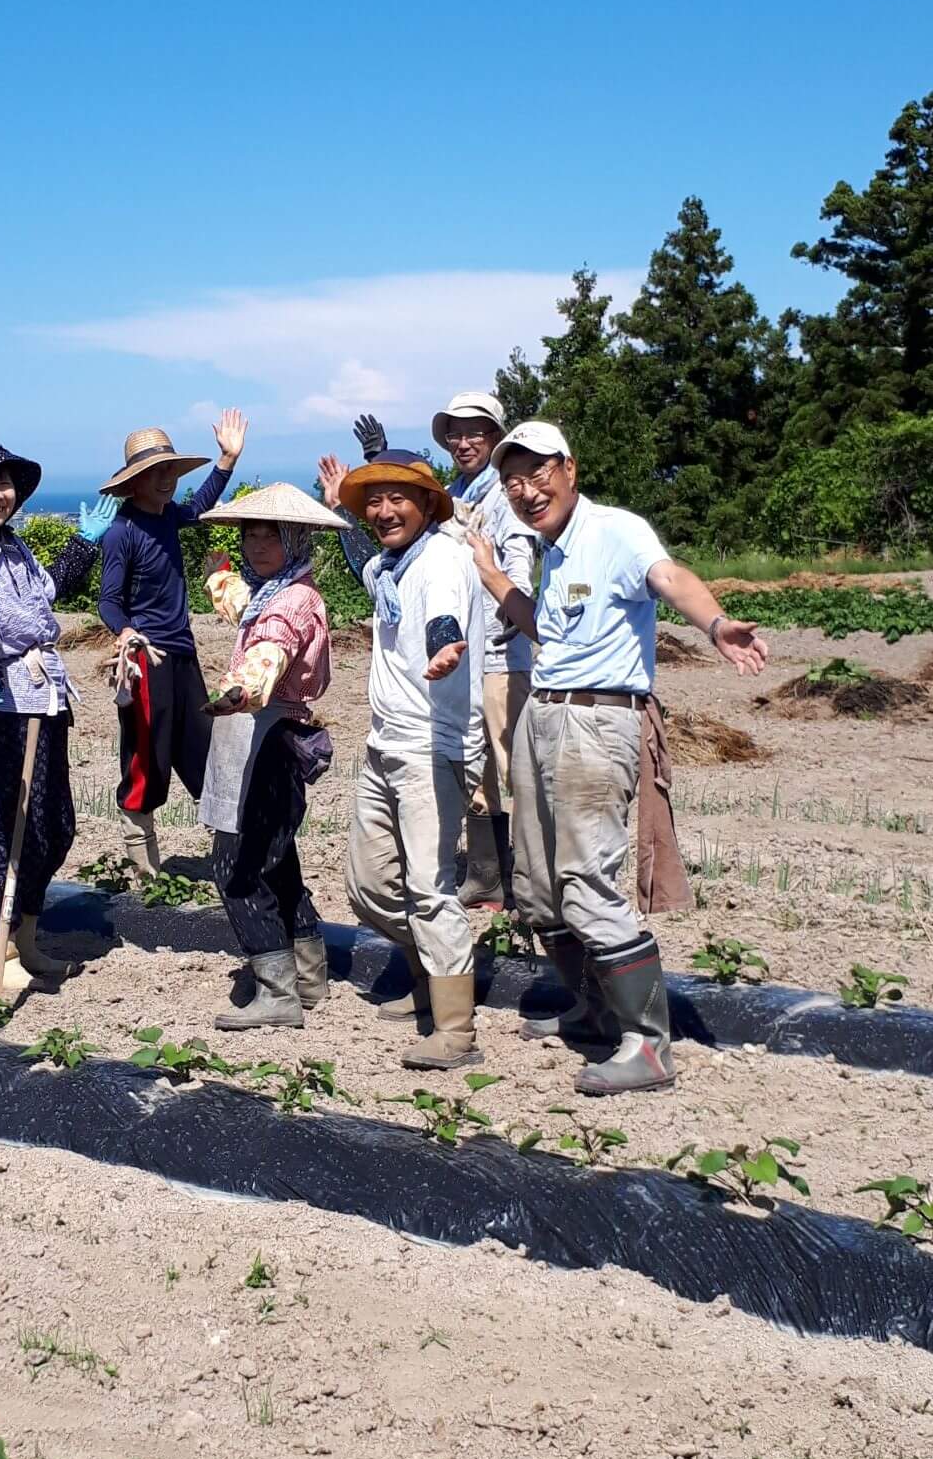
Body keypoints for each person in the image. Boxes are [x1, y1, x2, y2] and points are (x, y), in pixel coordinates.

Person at [469, 420, 769, 1093]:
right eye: (513, 481)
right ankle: (593, 1007)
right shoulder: (557, 552)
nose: (526, 490)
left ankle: (647, 1044)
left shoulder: (616, 530)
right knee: (540, 883)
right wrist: (492, 576)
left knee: (589, 879)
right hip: (545, 713)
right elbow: (549, 631)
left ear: (569, 467)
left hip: (598, 720)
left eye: (537, 473)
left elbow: (669, 576)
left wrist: (717, 624)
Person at [0, 443, 121, 994]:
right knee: (15, 822)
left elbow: (45, 594)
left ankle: (28, 936)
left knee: (56, 824)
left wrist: (84, 545)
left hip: (43, 693)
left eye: (7, 484)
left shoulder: (12, 547)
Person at [329, 445, 488, 1069]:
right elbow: (362, 562)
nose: (385, 509)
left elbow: (445, 615)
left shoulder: (442, 559)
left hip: (433, 743)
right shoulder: (392, 568)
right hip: (384, 741)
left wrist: (446, 648)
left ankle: (455, 1026)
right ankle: (429, 971)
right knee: (367, 886)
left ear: (428, 503)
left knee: (430, 887)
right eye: (374, 499)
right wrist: (336, 502)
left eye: (399, 497)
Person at [192, 482, 345, 1030]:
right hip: (266, 736)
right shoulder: (272, 590)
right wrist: (218, 570)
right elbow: (238, 601)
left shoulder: (290, 604)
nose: (257, 546)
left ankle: (277, 991)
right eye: (249, 535)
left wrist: (239, 692)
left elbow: (268, 654)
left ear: (295, 538)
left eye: (269, 536)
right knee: (277, 858)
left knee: (237, 865)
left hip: (266, 735)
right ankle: (308, 974)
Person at [97, 410, 247, 875]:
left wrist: (227, 460)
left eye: (170, 471)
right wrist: (125, 633)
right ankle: (143, 862)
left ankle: (228, 850)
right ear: (135, 482)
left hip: (182, 652)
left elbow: (201, 505)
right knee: (148, 752)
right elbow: (108, 600)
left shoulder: (168, 517)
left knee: (202, 745)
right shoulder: (122, 532)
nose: (167, 480)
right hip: (147, 659)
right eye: (156, 472)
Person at [429, 392, 539, 908]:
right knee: (479, 769)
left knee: (515, 764)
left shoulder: (505, 495)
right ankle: (488, 875)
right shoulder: (451, 495)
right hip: (464, 653)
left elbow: (518, 558)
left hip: (499, 652)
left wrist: (515, 608)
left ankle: (538, 877)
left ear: (494, 438)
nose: (464, 441)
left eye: (476, 432)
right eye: (457, 433)